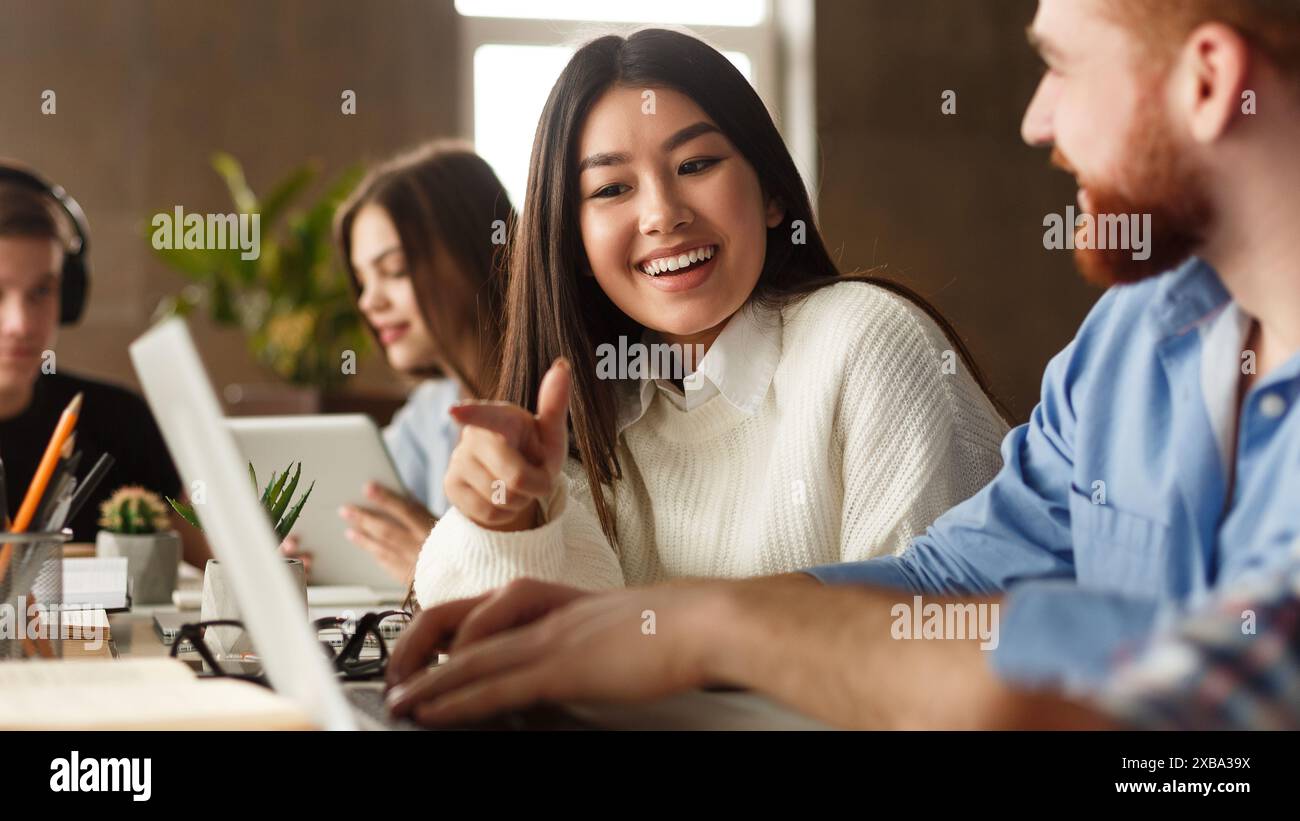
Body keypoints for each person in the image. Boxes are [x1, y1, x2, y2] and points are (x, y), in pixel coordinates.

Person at [384, 0, 1300, 729]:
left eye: (1061, 66)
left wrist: (717, 628)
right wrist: (648, 618)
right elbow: (949, 582)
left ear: (1212, 82)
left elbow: (1194, 729)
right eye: (612, 187)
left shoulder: (863, 341)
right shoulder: (1128, 343)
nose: (1034, 119)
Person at [408, 28, 1010, 608]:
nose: (662, 215)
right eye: (612, 189)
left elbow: (925, 632)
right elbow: (522, 648)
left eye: (695, 165)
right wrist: (507, 522)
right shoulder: (589, 407)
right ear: (576, 246)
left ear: (772, 194)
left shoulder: (868, 340)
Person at [319, 141, 513, 584]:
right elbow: (372, 525)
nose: (370, 302)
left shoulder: (563, 410)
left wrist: (442, 564)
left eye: (395, 271)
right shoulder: (429, 411)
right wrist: (321, 549)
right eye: (363, 280)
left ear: (478, 252)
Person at [0, 163, 202, 560]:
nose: (21, 324)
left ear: (69, 296)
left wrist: (277, 554)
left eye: (42, 291)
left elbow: (210, 565)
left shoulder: (121, 420)